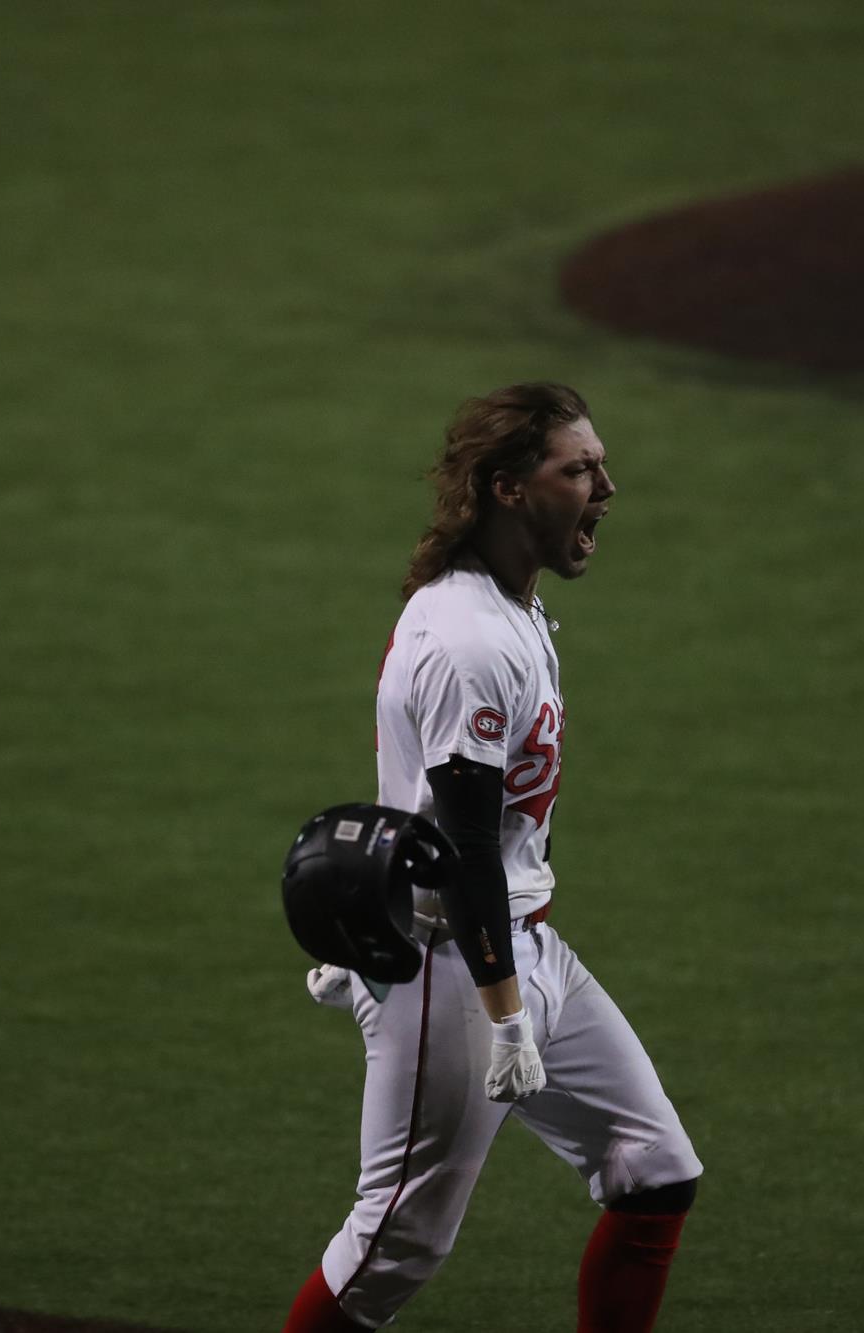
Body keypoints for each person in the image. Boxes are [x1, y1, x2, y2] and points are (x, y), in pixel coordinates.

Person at [282, 383, 702, 1332]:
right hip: (459, 968)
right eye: (580, 469)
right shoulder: (468, 639)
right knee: (396, 1243)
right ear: (510, 489)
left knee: (655, 1169)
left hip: (519, 938)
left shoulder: (512, 608)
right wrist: (506, 1016)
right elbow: (467, 844)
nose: (607, 486)